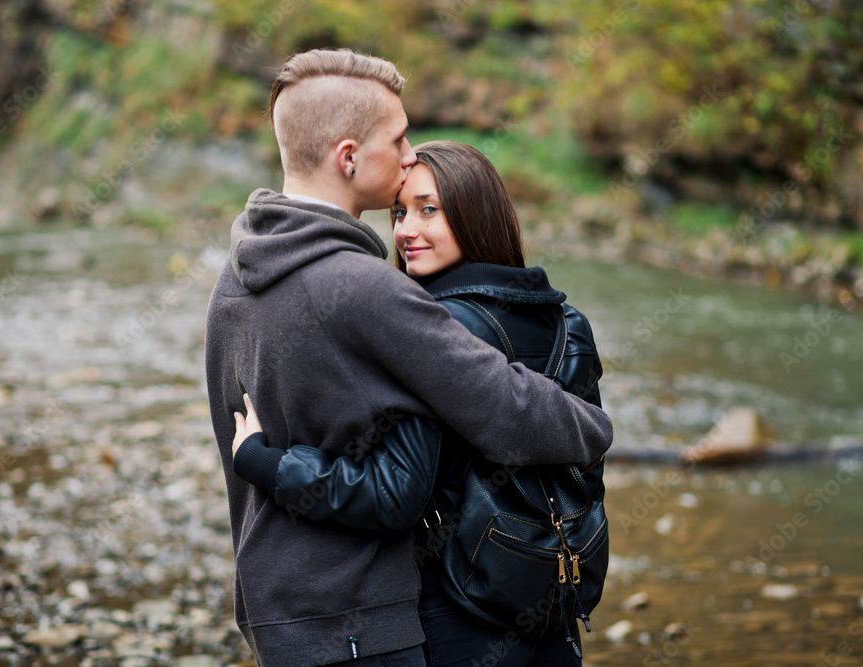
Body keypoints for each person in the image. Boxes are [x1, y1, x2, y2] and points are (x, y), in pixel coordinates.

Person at [206, 48, 613, 667]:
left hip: (274, 609)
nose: (406, 156)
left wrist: (264, 463)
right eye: (397, 139)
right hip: (365, 626)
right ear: (349, 156)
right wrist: (593, 425)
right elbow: (508, 411)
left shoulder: (233, 283)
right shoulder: (366, 288)